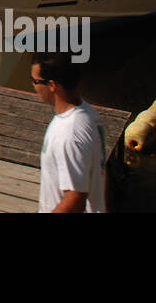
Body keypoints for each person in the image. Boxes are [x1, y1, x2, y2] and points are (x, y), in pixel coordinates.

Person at [31, 52, 107, 212]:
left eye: (35, 81)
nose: (33, 86)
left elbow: (75, 199)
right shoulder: (90, 114)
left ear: (52, 85)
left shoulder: (68, 134)